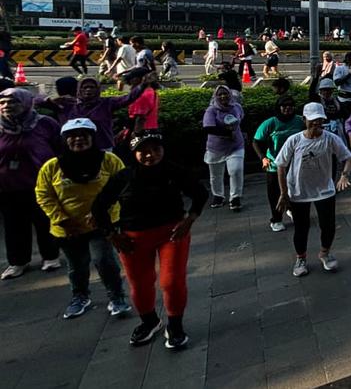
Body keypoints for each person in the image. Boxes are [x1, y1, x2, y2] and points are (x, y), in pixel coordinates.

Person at [92, 130, 207, 349]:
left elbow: (200, 193)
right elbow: (98, 207)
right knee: (140, 283)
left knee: (171, 281)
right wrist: (112, 235)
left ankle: (175, 325)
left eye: (156, 149)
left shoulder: (174, 171)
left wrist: (189, 220)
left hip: (172, 234)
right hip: (133, 239)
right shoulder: (124, 177)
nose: (150, 155)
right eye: (143, 151)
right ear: (134, 153)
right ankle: (149, 321)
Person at [35, 118, 130, 318]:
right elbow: (43, 194)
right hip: (69, 228)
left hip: (102, 224)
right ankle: (80, 297)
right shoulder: (52, 166)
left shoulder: (109, 160)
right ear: (65, 140)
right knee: (76, 266)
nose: (78, 139)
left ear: (93, 137)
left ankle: (116, 297)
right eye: (72, 136)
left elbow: (123, 186)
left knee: (104, 260)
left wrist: (101, 213)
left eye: (84, 135)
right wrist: (62, 219)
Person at [276, 103, 351, 277]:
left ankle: (325, 253)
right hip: (299, 191)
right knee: (301, 227)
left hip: (324, 189)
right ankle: (301, 258)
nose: (316, 123)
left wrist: (344, 175)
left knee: (328, 225)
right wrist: (283, 193)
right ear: (304, 120)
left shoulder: (330, 138)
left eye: (320, 119)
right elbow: (281, 166)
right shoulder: (294, 140)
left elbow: (348, 157)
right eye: (312, 120)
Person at [0, 88, 62, 279]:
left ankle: (51, 256)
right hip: (8, 186)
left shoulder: (45, 123)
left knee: (44, 221)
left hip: (41, 184)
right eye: (2, 102)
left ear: (26, 103)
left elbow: (61, 149)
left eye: (13, 102)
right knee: (14, 225)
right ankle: (18, 262)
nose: (7, 106)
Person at [253, 97, 305, 232]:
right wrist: (263, 158)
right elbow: (256, 141)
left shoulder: (300, 121)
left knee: (296, 190)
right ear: (279, 107)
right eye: (284, 105)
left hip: (295, 163)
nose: (287, 108)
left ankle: (292, 210)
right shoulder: (270, 123)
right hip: (275, 164)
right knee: (275, 193)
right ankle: (276, 219)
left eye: (290, 105)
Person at [202, 86, 245, 211]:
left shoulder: (237, 107)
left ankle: (235, 197)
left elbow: (241, 120)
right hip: (215, 148)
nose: (223, 96)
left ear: (230, 94)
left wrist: (240, 133)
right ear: (216, 97)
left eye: (225, 93)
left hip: (236, 145)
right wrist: (226, 133)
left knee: (236, 170)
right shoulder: (211, 110)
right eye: (220, 94)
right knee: (216, 174)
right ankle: (218, 196)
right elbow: (208, 128)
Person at [124, 68, 159, 135]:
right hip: (150, 130)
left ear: (137, 79)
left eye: (132, 78)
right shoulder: (151, 91)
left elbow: (141, 117)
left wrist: (135, 134)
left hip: (142, 131)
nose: (130, 82)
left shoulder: (142, 95)